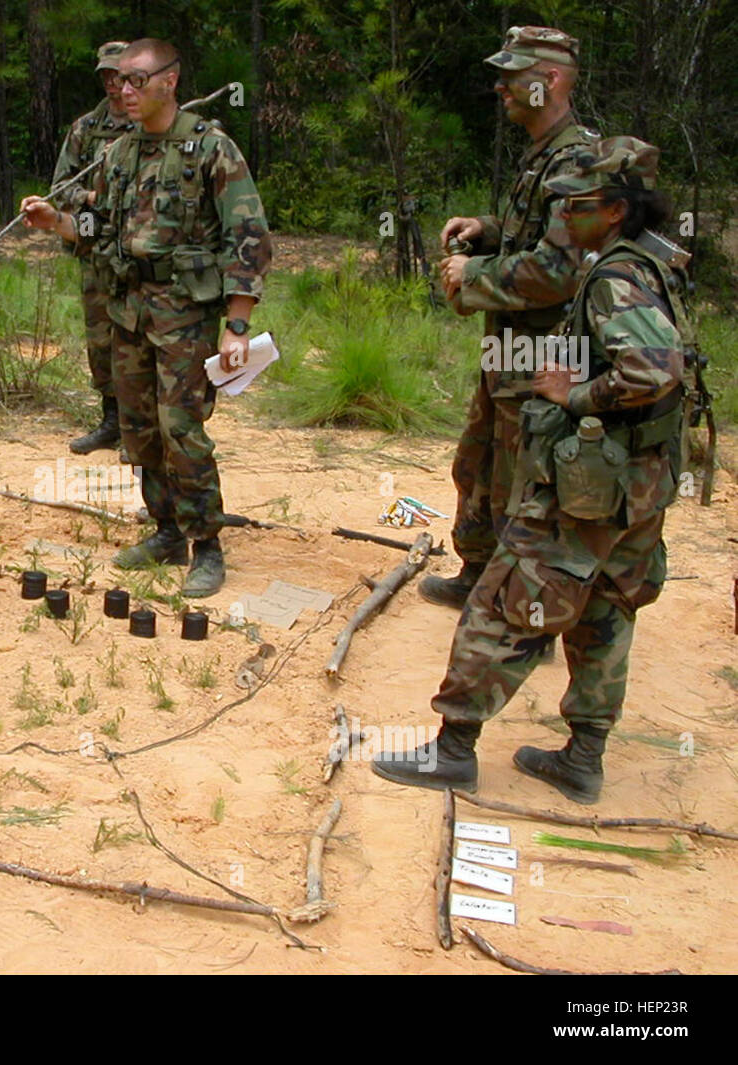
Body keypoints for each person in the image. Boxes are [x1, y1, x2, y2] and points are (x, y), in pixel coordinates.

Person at [372, 138, 688, 805]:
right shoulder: (650, 263)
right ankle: (583, 756)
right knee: (606, 608)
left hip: (592, 486)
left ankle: (452, 748)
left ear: (614, 210)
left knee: (505, 600)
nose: (560, 219)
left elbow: (654, 369)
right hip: (641, 485)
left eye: (575, 206)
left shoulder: (613, 279)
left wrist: (573, 394)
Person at [21, 38, 271, 597]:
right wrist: (54, 221)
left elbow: (248, 238)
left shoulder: (211, 149)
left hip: (184, 313)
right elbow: (98, 230)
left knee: (180, 429)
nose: (125, 92)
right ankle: (165, 531)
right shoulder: (120, 153)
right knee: (138, 430)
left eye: (137, 81)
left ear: (169, 81)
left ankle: (205, 543)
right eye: (121, 82)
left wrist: (236, 323)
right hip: (128, 311)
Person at [424, 26, 597, 609]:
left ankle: (527, 606)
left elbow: (561, 270)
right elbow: (539, 238)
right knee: (479, 464)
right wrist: (488, 232)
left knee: (528, 483)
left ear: (549, 81)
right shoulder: (544, 156)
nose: (500, 86)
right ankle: (480, 574)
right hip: (511, 349)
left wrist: (472, 277)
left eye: (513, 75)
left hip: (548, 355)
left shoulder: (578, 161)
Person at [51, 40, 133, 455]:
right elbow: (60, 188)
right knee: (101, 338)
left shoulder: (147, 124)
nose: (112, 85)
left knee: (136, 338)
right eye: (105, 76)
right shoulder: (85, 128)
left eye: (118, 75)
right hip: (94, 245)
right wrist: (91, 199)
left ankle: (141, 429)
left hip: (139, 251)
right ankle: (111, 421)